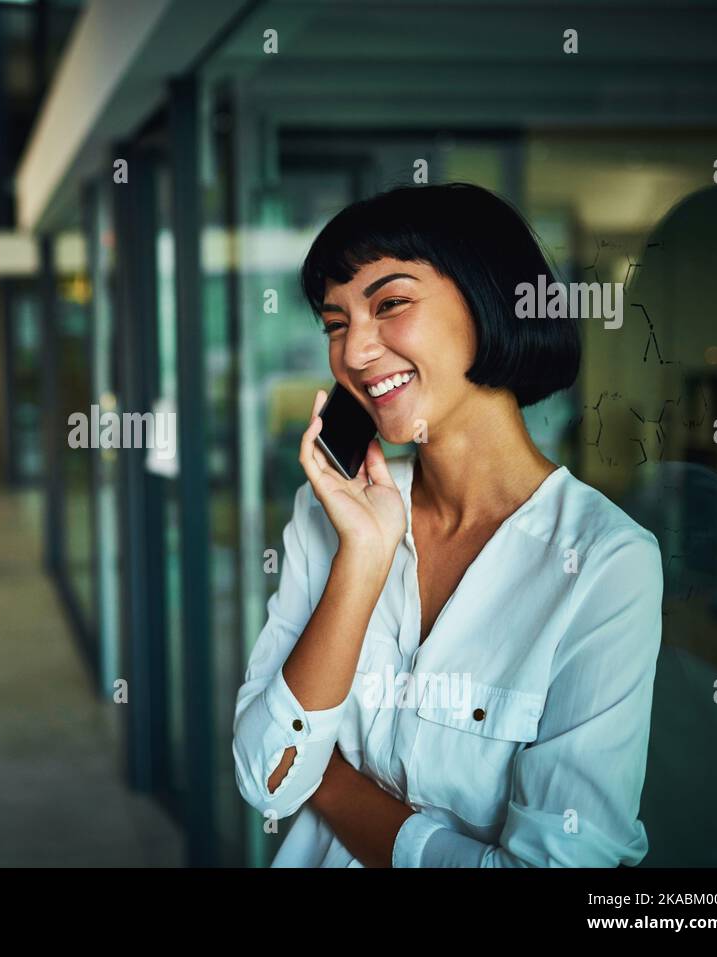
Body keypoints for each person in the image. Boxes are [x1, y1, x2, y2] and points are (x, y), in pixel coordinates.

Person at [231, 183, 663, 867]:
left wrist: (332, 783)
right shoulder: (332, 514)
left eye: (390, 303)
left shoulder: (606, 562)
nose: (355, 352)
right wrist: (364, 559)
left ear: (488, 298)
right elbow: (266, 779)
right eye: (336, 323)